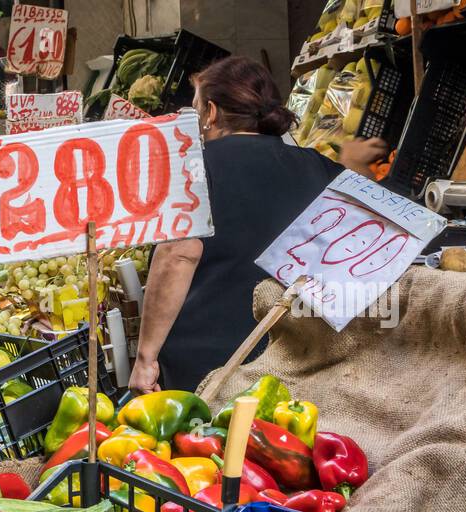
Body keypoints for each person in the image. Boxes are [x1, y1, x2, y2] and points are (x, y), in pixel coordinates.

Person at [127, 56, 387, 394]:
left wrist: (146, 359)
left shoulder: (193, 170)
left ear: (211, 113)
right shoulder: (316, 166)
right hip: (300, 357)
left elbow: (179, 255)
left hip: (213, 367)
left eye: (196, 109)